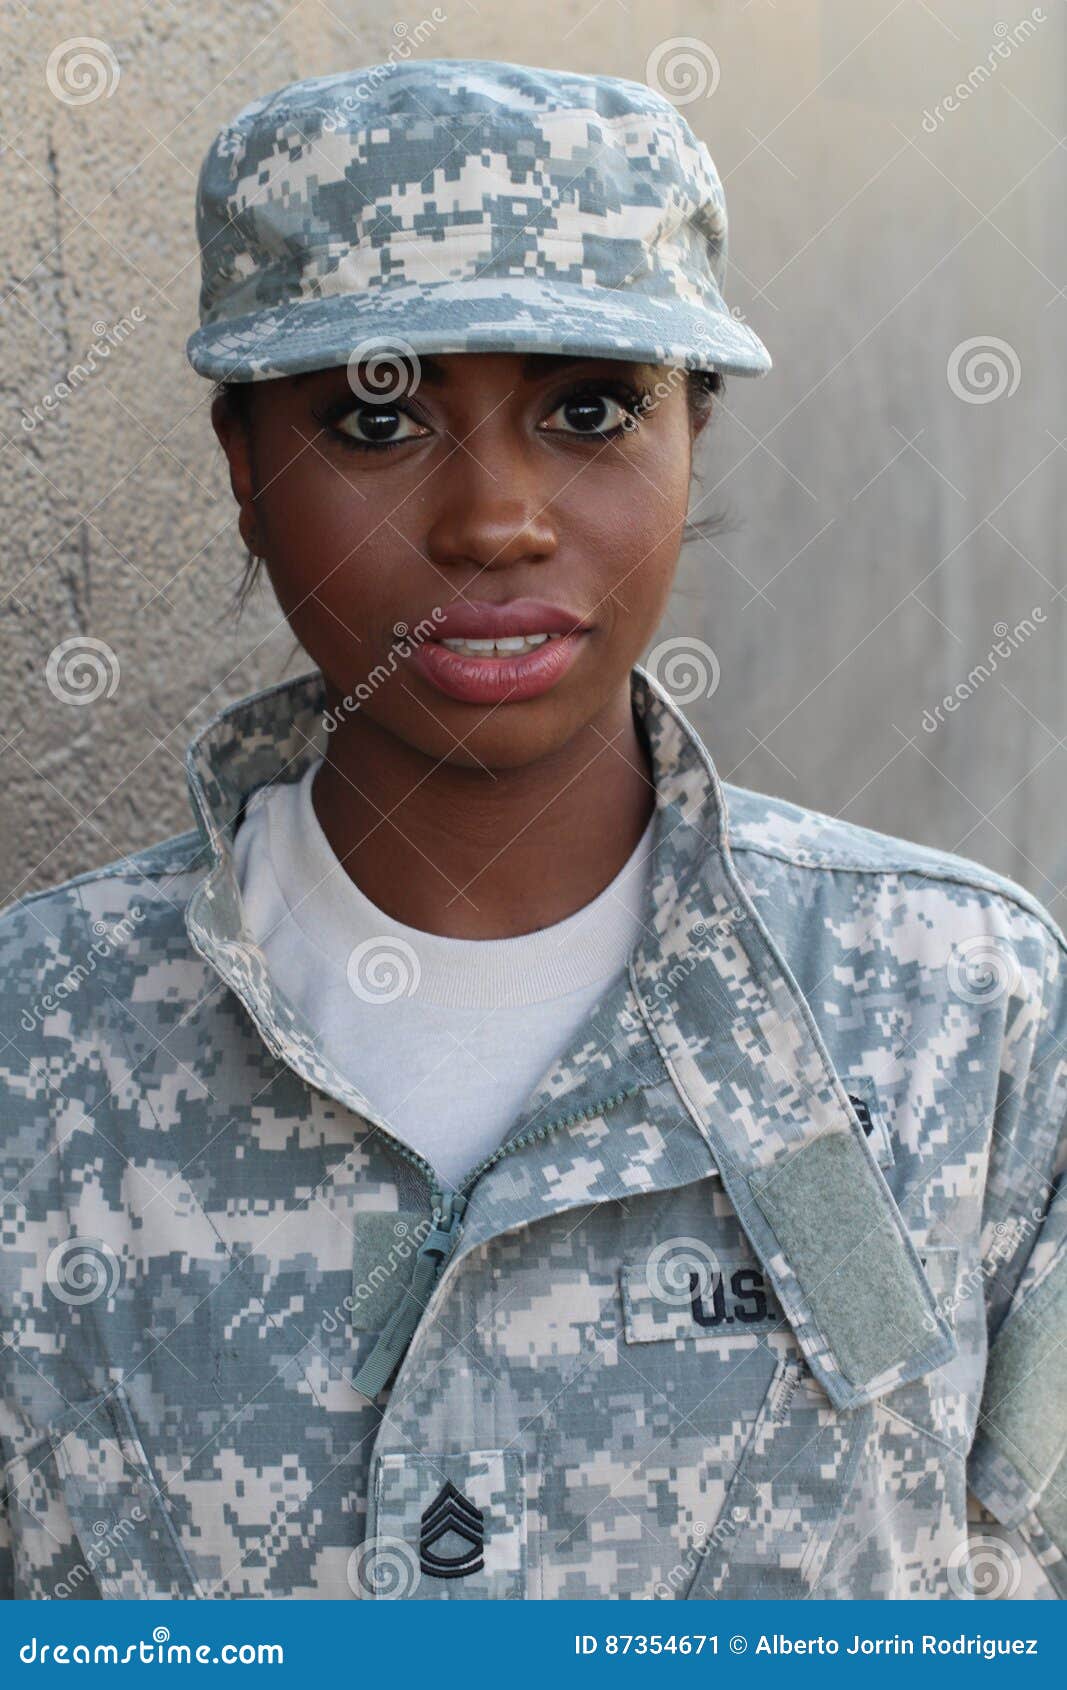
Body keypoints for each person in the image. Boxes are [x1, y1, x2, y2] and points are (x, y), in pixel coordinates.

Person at [0, 58, 1063, 1603]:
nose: (494, 519)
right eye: (375, 420)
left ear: (695, 432)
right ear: (243, 468)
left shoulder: (970, 1022)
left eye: (589, 409)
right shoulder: (38, 1053)